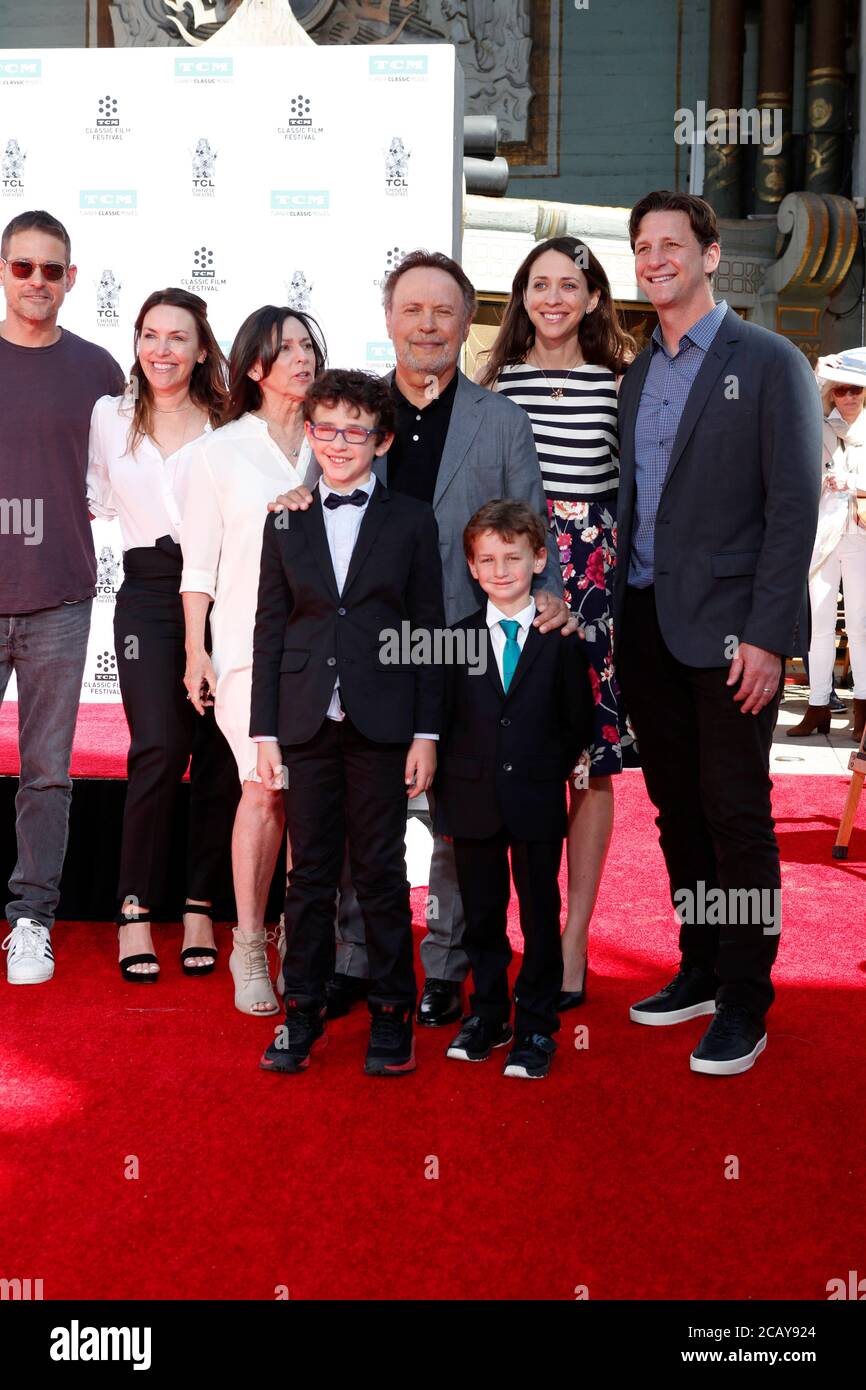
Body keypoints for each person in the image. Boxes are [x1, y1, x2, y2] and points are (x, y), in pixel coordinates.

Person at [268, 250, 573, 1028]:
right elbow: (314, 495)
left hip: (462, 648)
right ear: (389, 320)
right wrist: (297, 495)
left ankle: (445, 963)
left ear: (467, 323)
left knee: (453, 817)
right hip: (359, 655)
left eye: (444, 311)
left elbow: (531, 522)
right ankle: (352, 960)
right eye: (413, 310)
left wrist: (547, 603)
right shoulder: (356, 413)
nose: (428, 325)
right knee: (348, 816)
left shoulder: (500, 421)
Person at [613, 190, 821, 1075]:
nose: (655, 258)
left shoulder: (770, 362)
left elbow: (793, 505)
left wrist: (771, 635)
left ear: (708, 256)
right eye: (642, 246)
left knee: (736, 815)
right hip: (647, 622)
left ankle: (745, 995)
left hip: (735, 636)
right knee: (677, 811)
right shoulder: (637, 371)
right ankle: (699, 966)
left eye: (672, 244)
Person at [252, 368, 444, 1076]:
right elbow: (270, 628)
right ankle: (299, 1013)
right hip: (304, 720)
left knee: (381, 873)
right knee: (308, 879)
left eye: (355, 431)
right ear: (309, 434)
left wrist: (426, 731)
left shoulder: (412, 520)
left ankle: (393, 1015)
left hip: (384, 721)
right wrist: (264, 731)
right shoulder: (286, 516)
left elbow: (427, 628)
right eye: (325, 429)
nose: (339, 443)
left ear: (382, 441)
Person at [479, 235, 635, 1008]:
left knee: (591, 764)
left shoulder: (619, 385)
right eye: (538, 284)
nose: (552, 299)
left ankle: (573, 942)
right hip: (512, 584)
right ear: (521, 297)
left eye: (568, 285)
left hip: (594, 590)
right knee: (512, 754)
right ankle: (511, 935)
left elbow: (635, 498)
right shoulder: (495, 381)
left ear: (593, 299)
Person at [87, 288, 238, 982]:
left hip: (223, 589)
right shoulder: (108, 417)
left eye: (178, 337)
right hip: (148, 591)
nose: (162, 350)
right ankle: (135, 910)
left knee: (215, 750)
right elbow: (89, 499)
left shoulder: (228, 422)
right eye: (151, 334)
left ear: (202, 348)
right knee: (159, 744)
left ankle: (201, 903)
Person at [181, 306, 326, 1015]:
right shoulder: (219, 452)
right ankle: (247, 944)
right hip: (243, 653)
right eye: (285, 349)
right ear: (255, 367)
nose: (302, 357)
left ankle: (300, 939)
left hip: (324, 652)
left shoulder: (337, 438)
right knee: (263, 789)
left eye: (308, 345)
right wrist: (193, 652)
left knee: (313, 795)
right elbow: (198, 568)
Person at [0, 210, 124, 985]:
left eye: (53, 269)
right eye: (24, 267)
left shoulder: (100, 371)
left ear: (72, 279)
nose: (38, 281)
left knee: (46, 770)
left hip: (60, 602)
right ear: (4, 272)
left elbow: (137, 468)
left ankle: (31, 918)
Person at [437, 500, 594, 1078]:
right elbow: (444, 718)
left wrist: (545, 767)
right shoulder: (453, 641)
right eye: (487, 560)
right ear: (472, 569)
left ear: (539, 560)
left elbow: (577, 718)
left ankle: (536, 1025)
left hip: (535, 799)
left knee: (538, 912)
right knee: (481, 914)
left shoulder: (562, 640)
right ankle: (488, 1013)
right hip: (472, 800)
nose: (500, 570)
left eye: (513, 557)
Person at [788, 349, 866, 742]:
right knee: (818, 627)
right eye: (840, 391)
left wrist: (850, 484)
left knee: (860, 627)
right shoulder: (820, 428)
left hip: (861, 539)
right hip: (822, 536)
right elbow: (800, 477)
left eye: (854, 390)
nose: (847, 397)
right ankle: (817, 705)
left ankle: (863, 712)